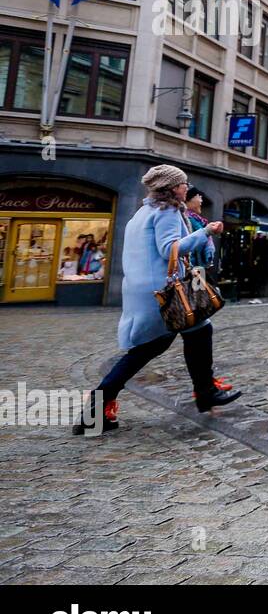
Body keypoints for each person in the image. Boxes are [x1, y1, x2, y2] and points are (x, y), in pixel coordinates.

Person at [76, 165, 241, 435]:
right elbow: (170, 249)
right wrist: (205, 232)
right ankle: (99, 403)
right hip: (163, 293)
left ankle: (205, 391)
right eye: (183, 184)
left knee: (197, 330)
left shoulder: (142, 213)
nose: (187, 188)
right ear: (171, 188)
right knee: (148, 348)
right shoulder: (167, 211)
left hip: (142, 290)